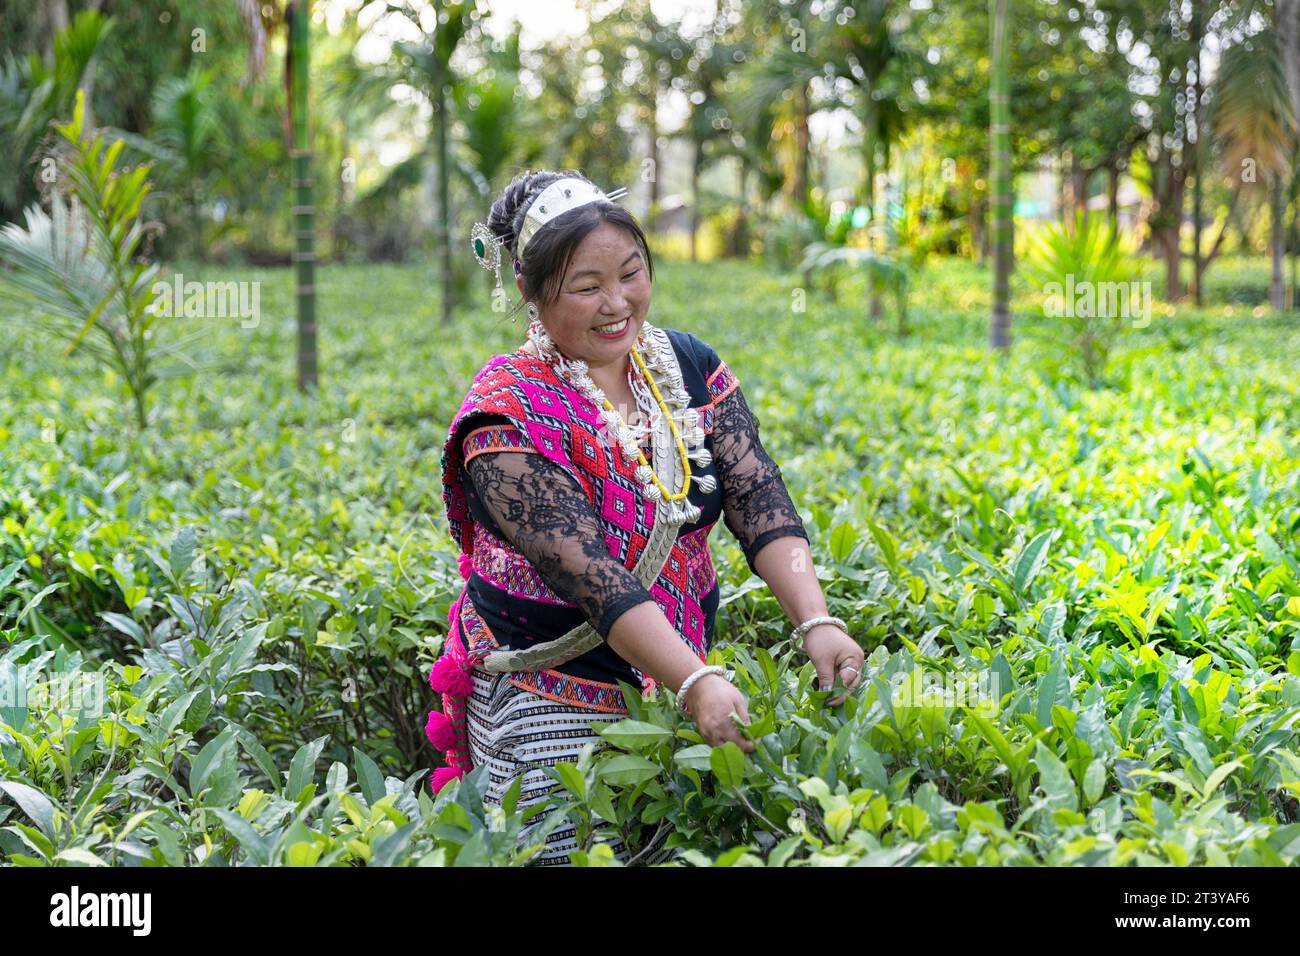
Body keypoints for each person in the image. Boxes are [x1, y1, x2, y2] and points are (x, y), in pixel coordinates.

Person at [425, 168, 864, 865]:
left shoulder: (682, 364)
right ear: (532, 296)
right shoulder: (506, 414)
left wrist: (817, 621)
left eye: (632, 273)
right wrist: (695, 682)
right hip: (551, 691)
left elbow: (759, 497)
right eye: (586, 286)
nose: (617, 302)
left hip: (673, 675)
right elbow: (593, 577)